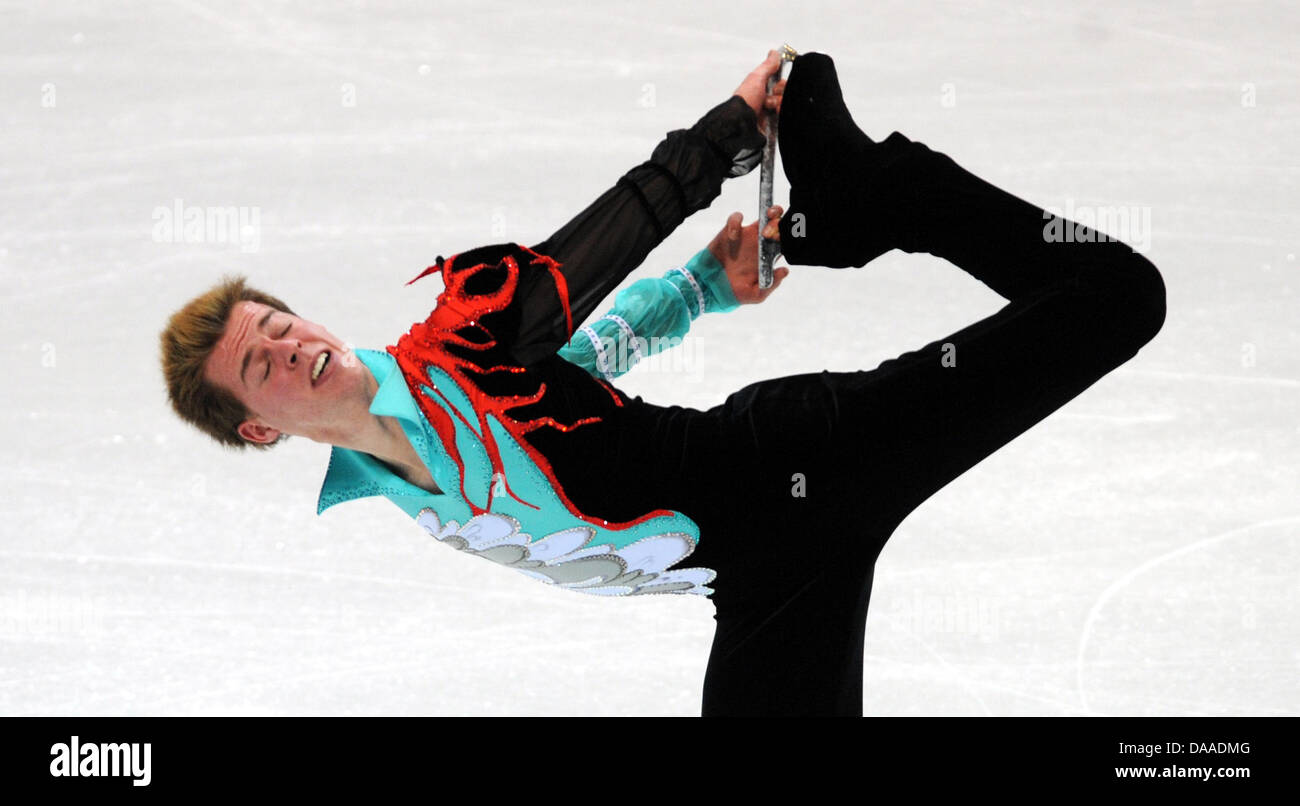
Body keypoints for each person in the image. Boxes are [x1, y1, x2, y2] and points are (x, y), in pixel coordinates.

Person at [160, 51, 1165, 716]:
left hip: (804, 460)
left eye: (280, 325)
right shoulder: (390, 481)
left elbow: (588, 251)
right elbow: (573, 378)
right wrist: (698, 290)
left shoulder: (455, 343)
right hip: (769, 577)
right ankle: (864, 203)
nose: (290, 348)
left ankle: (881, 191)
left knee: (1116, 293)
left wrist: (725, 134)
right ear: (257, 427)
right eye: (262, 363)